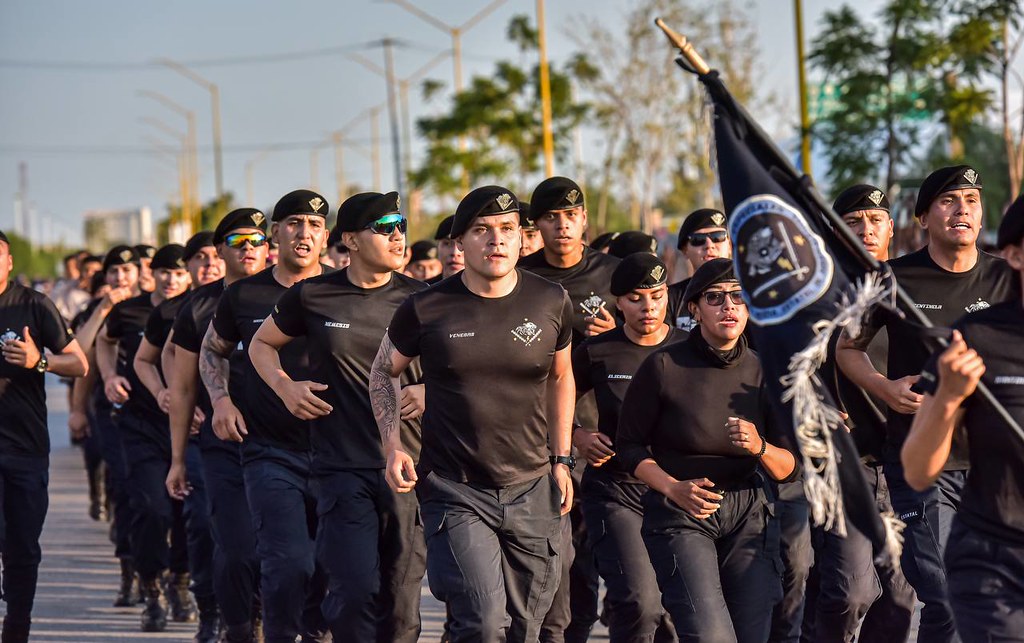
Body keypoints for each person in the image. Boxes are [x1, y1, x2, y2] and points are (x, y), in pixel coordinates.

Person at [371, 185, 574, 642]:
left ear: (521, 237)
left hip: (531, 484)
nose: (496, 239)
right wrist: (393, 446)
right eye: (482, 230)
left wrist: (561, 460)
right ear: (459, 242)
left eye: (507, 229)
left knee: (528, 627)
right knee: (481, 622)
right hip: (455, 488)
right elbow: (383, 371)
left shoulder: (551, 300)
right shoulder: (426, 306)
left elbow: (561, 377)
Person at [836, 165, 1018, 643]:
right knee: (948, 592)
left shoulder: (1006, 278)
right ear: (922, 218)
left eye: (971, 200)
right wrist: (885, 388)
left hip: (995, 467)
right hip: (923, 466)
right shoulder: (892, 279)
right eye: (948, 200)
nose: (962, 210)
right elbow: (847, 349)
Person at [251, 191, 427, 642]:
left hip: (408, 470)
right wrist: (285, 386)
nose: (397, 236)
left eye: (401, 226)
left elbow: (460, 366)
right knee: (352, 592)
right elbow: (261, 344)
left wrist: (430, 389)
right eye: (383, 228)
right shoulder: (313, 295)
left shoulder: (422, 298)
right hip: (340, 467)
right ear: (350, 240)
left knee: (400, 605)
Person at [617, 258, 797, 643]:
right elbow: (628, 447)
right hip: (681, 512)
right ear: (694, 310)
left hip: (748, 512)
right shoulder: (663, 366)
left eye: (738, 296)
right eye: (714, 297)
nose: (728, 306)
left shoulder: (766, 372)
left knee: (752, 635)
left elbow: (788, 468)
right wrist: (672, 487)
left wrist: (760, 446)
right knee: (710, 635)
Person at [201, 189, 331, 643]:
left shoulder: (342, 290)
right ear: (275, 233)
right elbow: (212, 351)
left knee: (330, 563)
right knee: (288, 561)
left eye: (315, 225)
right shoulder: (244, 295)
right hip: (269, 451)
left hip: (338, 452)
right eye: (294, 223)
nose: (304, 233)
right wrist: (221, 400)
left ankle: (315, 630)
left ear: (327, 237)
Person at [901, 195, 1024, 643]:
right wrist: (949, 397)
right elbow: (917, 470)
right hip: (995, 561)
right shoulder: (975, 339)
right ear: (1014, 255)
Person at [803, 184, 916, 643]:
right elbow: (784, 372)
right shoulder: (817, 297)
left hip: (907, 464)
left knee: (902, 598)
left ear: (891, 228)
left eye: (875, 221)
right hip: (844, 465)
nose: (866, 230)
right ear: (835, 232)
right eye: (853, 222)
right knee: (852, 591)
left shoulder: (913, 290)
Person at [519, 176, 618, 640]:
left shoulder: (614, 275)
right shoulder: (520, 279)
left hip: (608, 439)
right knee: (557, 554)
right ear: (536, 225)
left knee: (599, 553)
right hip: (541, 438)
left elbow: (653, 345)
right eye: (551, 217)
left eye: (571, 215)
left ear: (584, 219)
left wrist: (619, 334)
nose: (563, 225)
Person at [166, 208, 268, 643]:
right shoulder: (199, 306)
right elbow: (183, 387)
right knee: (236, 545)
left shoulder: (288, 296)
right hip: (222, 444)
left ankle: (261, 616)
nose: (249, 249)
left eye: (257, 240)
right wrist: (177, 460)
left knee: (281, 547)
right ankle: (233, 622)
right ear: (219, 251)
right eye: (237, 241)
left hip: (282, 442)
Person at [573, 253, 685, 643]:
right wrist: (577, 435)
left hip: (680, 493)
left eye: (657, 295)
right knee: (640, 602)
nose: (648, 307)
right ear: (618, 302)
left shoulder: (691, 348)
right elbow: (549, 400)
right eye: (636, 298)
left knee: (677, 611)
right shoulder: (598, 350)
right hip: (616, 490)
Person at [97, 243, 193, 631]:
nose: (172, 279)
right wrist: (109, 376)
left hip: (189, 428)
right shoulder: (129, 310)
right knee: (152, 509)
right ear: (151, 272)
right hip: (141, 425)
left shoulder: (196, 308)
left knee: (187, 513)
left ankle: (180, 582)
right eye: (165, 271)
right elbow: (105, 341)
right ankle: (152, 589)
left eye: (180, 273)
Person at [133, 231, 223, 640]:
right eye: (199, 257)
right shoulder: (179, 310)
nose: (209, 264)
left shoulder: (260, 298)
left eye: (214, 256)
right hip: (188, 432)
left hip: (253, 432)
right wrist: (169, 395)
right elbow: (151, 358)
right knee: (190, 517)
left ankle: (239, 610)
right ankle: (181, 594)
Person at [0, 231, 88, 643]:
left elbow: (79, 365)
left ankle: (17, 625)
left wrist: (40, 361)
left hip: (25, 446)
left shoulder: (33, 304)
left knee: (21, 546)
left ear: (9, 261)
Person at [68, 245, 143, 605]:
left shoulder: (153, 305)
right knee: (126, 486)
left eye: (128, 270)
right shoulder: (94, 311)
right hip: (111, 411)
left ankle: (159, 568)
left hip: (154, 412)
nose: (121, 277)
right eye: (114, 271)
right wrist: (77, 409)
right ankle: (130, 573)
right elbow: (82, 361)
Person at [666, 208, 731, 331]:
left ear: (730, 246)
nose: (709, 245)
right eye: (698, 240)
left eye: (718, 237)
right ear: (685, 250)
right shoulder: (670, 299)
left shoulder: (751, 293)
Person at [428, 215, 464, 284]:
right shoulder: (424, 289)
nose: (455, 252)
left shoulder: (486, 288)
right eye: (447, 243)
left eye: (461, 243)